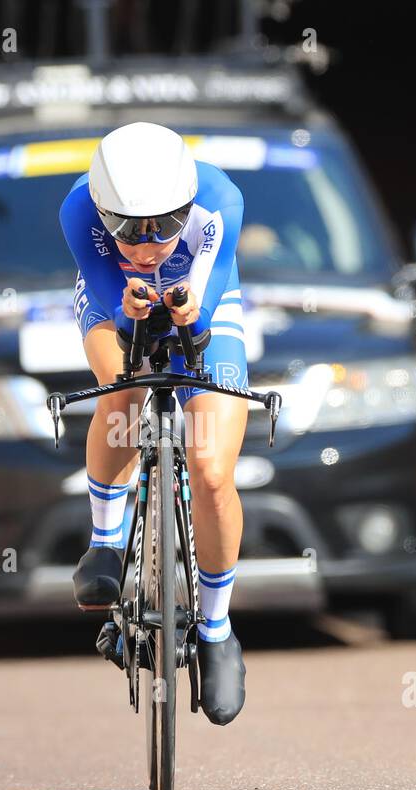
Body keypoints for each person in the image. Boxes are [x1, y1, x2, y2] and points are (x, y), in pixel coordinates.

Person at [59, 122, 249, 726]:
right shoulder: (76, 210)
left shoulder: (222, 201)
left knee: (212, 471)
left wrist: (190, 319)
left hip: (202, 301)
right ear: (101, 211)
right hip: (118, 302)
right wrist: (130, 312)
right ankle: (106, 542)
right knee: (121, 392)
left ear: (189, 204)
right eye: (127, 229)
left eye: (166, 226)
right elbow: (111, 292)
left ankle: (217, 632)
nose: (146, 244)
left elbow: (204, 313)